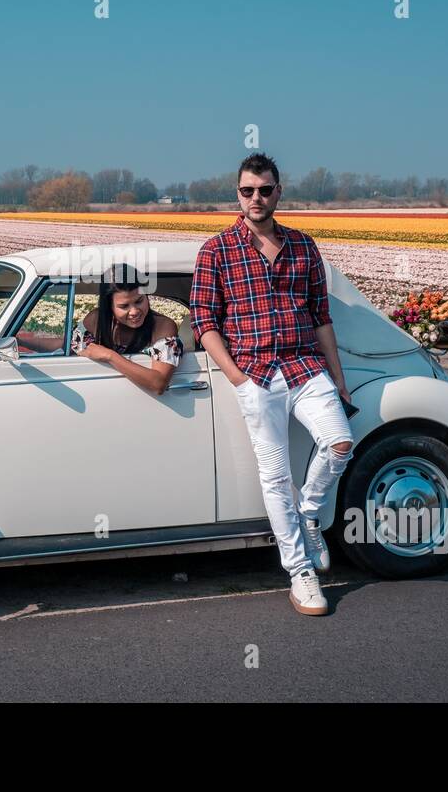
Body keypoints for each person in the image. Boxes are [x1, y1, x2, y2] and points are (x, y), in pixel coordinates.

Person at [190, 152, 353, 617]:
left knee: (340, 443)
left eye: (264, 189)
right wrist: (237, 377)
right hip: (256, 373)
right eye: (247, 191)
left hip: (306, 367)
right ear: (237, 195)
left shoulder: (303, 246)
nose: (256, 198)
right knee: (276, 475)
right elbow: (204, 320)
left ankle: (312, 514)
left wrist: (338, 380)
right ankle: (299, 572)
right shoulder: (217, 249)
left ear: (279, 191)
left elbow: (321, 318)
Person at [71, 264, 183, 396]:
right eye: (124, 306)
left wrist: (110, 356)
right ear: (109, 307)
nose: (134, 311)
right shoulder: (96, 321)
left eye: (139, 301)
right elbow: (68, 347)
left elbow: (158, 384)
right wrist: (39, 342)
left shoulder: (162, 326)